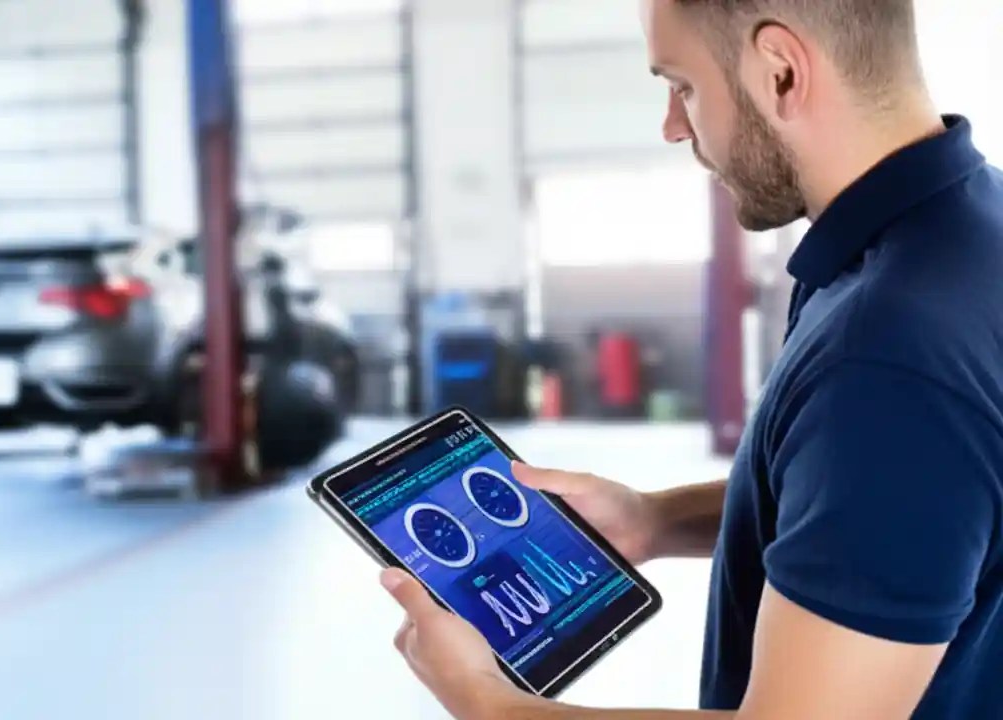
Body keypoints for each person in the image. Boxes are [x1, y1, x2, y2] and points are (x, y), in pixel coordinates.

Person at [380, 0, 1003, 717]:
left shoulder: (885, 357)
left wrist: (483, 700)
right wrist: (656, 520)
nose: (674, 126)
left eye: (683, 86)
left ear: (780, 71)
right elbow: (884, 508)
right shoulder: (965, 225)